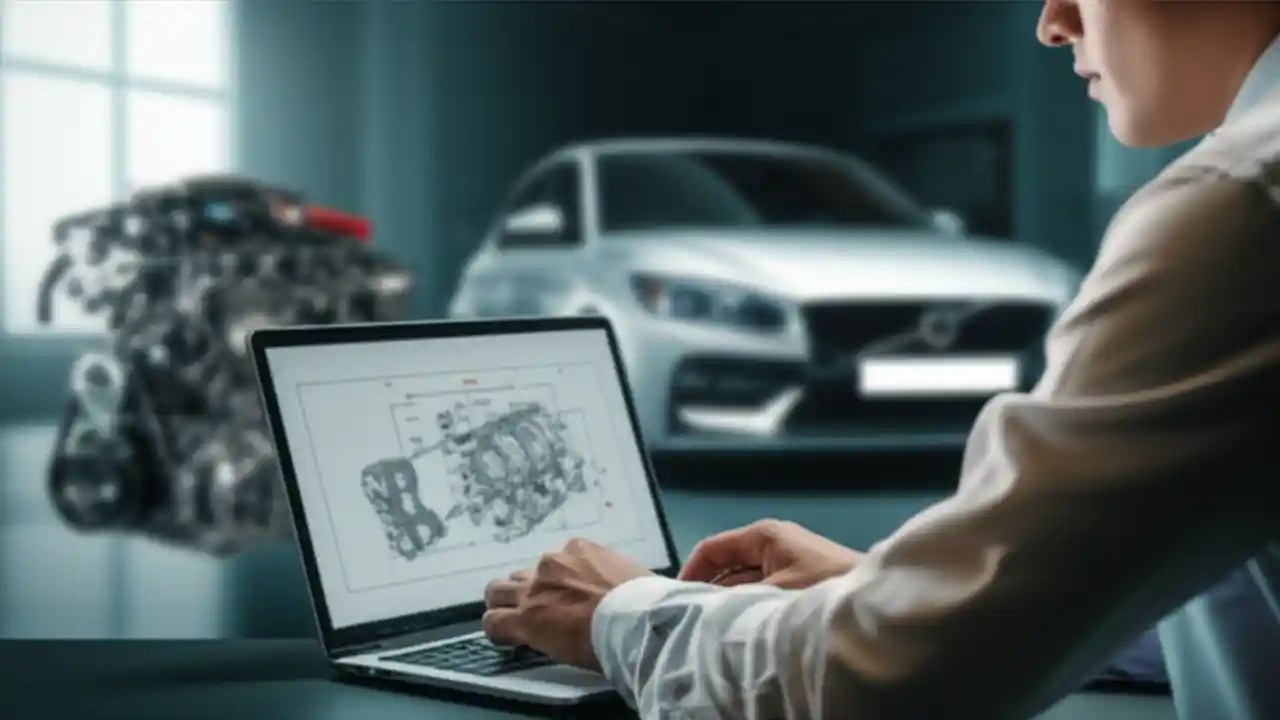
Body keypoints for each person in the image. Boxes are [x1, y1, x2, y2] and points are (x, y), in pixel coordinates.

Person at [482, 1, 1280, 717]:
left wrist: (621, 612)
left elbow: (891, 683)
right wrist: (903, 594)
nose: (1053, 19)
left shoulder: (1238, 202)